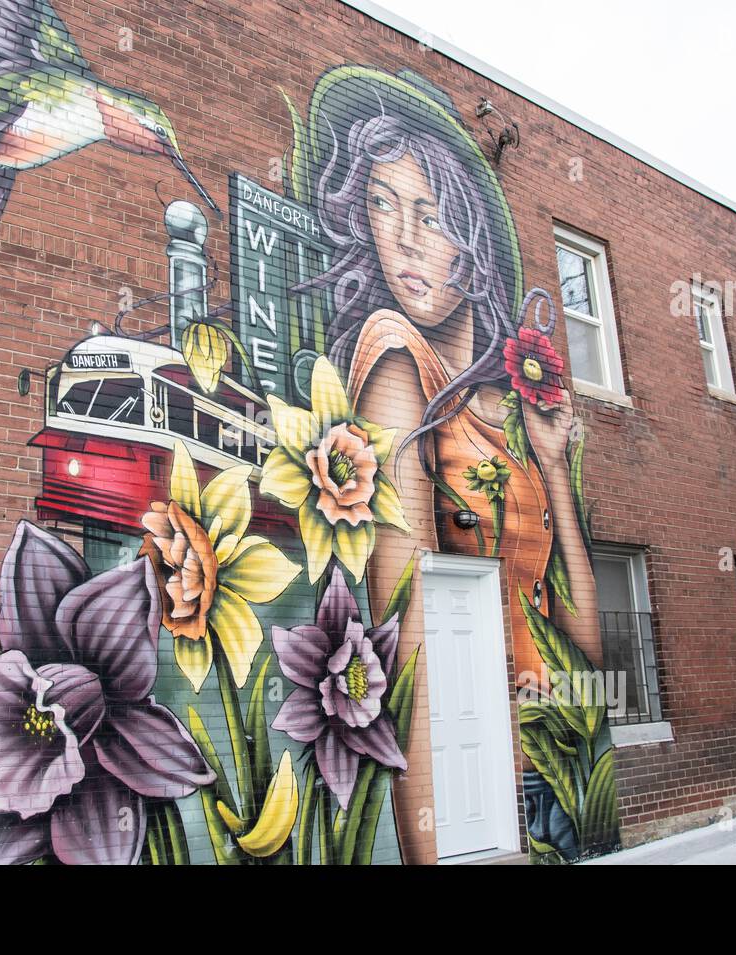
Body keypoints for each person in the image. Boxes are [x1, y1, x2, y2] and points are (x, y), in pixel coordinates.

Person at [298, 67, 600, 860]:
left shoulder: (509, 407)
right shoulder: (395, 359)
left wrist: (553, 465)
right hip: (486, 788)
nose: (400, 240)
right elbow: (406, 636)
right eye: (381, 205)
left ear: (471, 236)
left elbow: (583, 643)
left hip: (550, 773)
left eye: (428, 215)